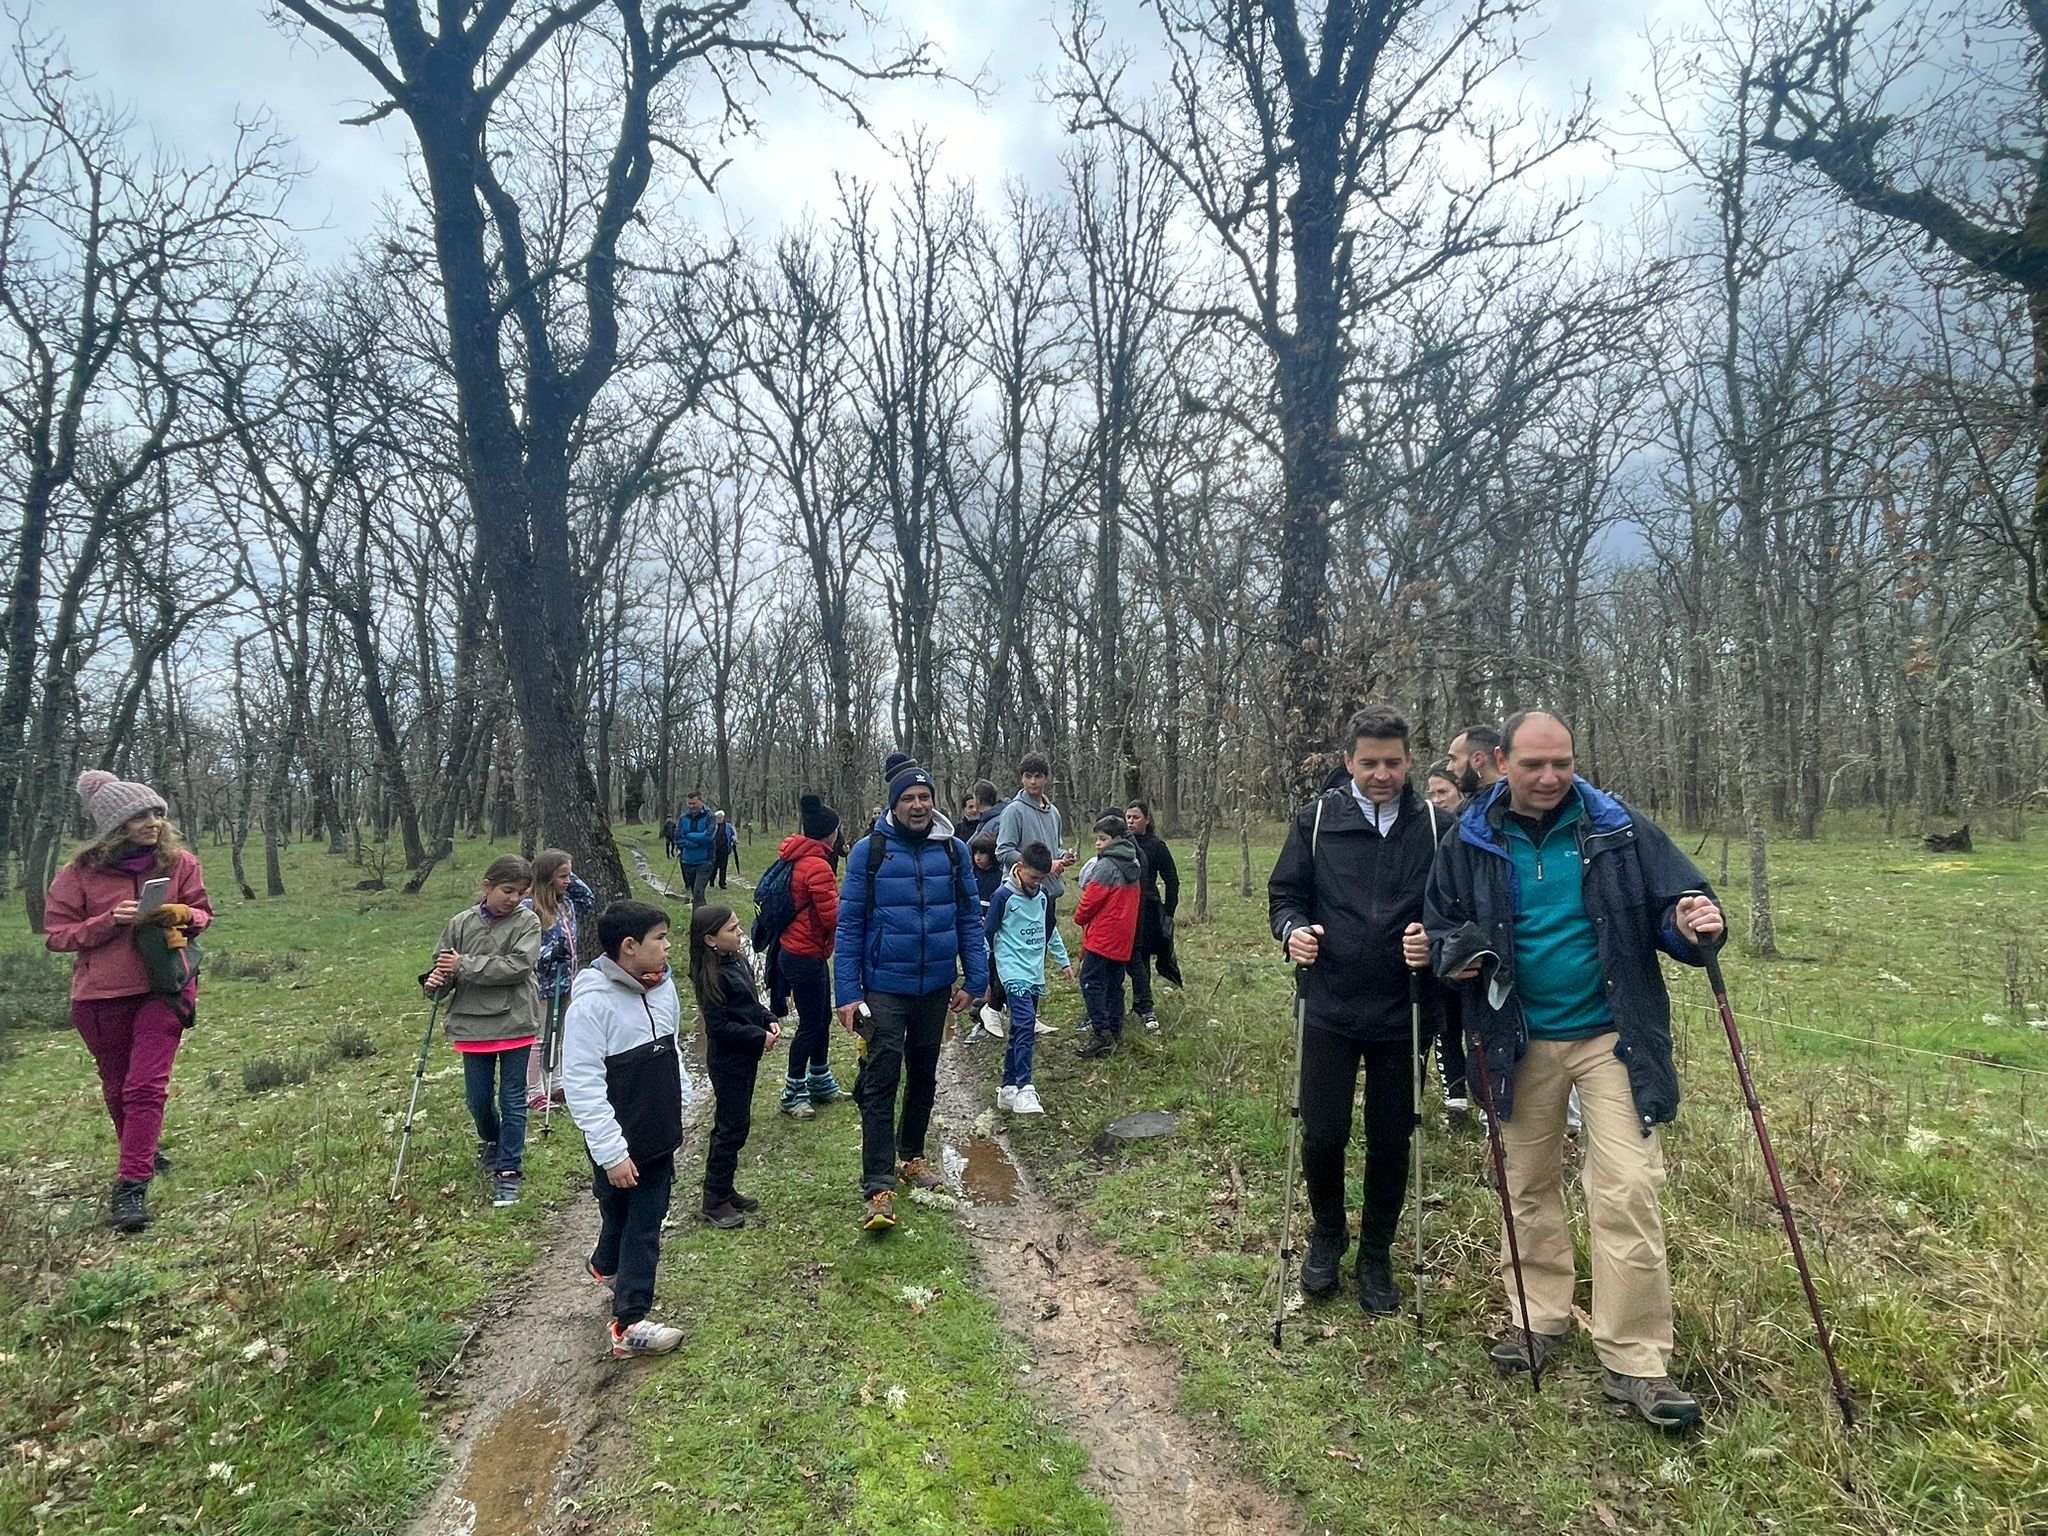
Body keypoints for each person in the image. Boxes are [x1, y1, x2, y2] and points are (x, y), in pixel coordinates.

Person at [1425, 710, 1725, 1430]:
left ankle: (1637, 1361)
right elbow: (1439, 923)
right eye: (1533, 764)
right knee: (1525, 1187)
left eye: (1561, 762)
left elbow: (1675, 905)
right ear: (1502, 760)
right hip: (1516, 1037)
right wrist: (1458, 953)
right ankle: (1539, 1320)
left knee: (1626, 1189)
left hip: (1611, 1039)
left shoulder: (1618, 827)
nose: (1550, 777)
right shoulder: (1470, 836)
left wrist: (1690, 925)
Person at [1268, 706, 1453, 1315]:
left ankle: (1376, 1252)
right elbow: (1286, 896)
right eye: (1369, 762)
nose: (1381, 774)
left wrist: (1436, 940)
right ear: (1348, 762)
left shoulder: (1434, 826)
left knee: (1391, 1138)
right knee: (1323, 1132)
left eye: (1393, 762)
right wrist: (1293, 931)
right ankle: (1327, 1233)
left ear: (1408, 762)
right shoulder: (1317, 819)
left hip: (1404, 1009)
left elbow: (1456, 909)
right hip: (1329, 1004)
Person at [44, 770, 213, 1234]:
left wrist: (183, 914)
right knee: (118, 1086)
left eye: (157, 812)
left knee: (145, 1086)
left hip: (165, 986)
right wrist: (105, 923)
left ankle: (131, 1186)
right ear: (116, 824)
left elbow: (203, 913)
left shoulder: (179, 863)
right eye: (140, 815)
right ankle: (143, 1150)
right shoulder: (77, 874)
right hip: (100, 996)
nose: (152, 822)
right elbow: (56, 936)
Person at [833, 764, 988, 1233]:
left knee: (924, 1075)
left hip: (937, 986)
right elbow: (850, 924)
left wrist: (976, 977)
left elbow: (968, 919)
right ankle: (878, 1186)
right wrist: (847, 992)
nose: (918, 806)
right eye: (909, 799)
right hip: (883, 987)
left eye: (925, 797)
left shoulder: (956, 852)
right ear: (894, 804)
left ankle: (912, 1157)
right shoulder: (870, 852)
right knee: (880, 1080)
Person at [562, 899, 693, 1358]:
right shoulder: (592, 1005)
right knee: (623, 1214)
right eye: (660, 938)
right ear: (630, 947)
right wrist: (612, 1152)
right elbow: (580, 1083)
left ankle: (609, 1274)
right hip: (617, 1138)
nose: (668, 945)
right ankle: (629, 1327)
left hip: (658, 1134)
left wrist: (683, 1098)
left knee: (640, 1220)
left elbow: (671, 1049)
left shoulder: (662, 988)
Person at [425, 855, 544, 1208]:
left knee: (513, 1098)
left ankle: (509, 1170)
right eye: (508, 890)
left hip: (516, 1021)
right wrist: (435, 982)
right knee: (477, 1099)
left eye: (521, 893)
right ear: (487, 886)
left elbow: (519, 966)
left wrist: (465, 965)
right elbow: (441, 967)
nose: (514, 899)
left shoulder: (528, 922)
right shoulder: (460, 923)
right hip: (471, 1023)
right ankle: (492, 1140)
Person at [687, 905, 780, 1228]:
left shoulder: (736, 962)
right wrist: (757, 1037)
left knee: (738, 1125)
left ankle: (725, 1189)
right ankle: (713, 1198)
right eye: (731, 930)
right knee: (730, 1128)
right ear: (710, 939)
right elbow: (720, 1027)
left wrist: (767, 1019)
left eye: (738, 927)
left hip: (745, 1057)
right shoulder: (710, 976)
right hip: (728, 1061)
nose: (739, 933)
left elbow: (749, 1004)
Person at [983, 843, 1075, 1115]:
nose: (1036, 883)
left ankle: (1008, 1088)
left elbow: (1049, 929)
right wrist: (981, 975)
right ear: (1020, 868)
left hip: (1034, 970)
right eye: (1033, 877)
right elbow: (987, 934)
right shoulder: (1003, 896)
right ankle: (1025, 1087)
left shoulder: (1043, 895)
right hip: (1012, 970)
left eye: (1041, 879)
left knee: (1021, 1029)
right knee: (1024, 1024)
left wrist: (1063, 960)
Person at [776, 795, 850, 1120]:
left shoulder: (797, 857)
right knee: (810, 1024)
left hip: (805, 950)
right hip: (803, 953)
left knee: (822, 1018)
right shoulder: (817, 865)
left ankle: (819, 1080)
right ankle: (792, 1092)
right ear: (830, 833)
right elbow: (832, 917)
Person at [525, 848, 596, 1110]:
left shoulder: (566, 903)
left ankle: (556, 1082)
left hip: (567, 979)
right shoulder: (530, 907)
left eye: (569, 875)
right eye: (562, 876)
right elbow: (526, 948)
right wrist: (548, 954)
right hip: (542, 982)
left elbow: (588, 899)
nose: (568, 881)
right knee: (539, 1035)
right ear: (546, 877)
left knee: (559, 1032)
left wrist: (568, 873)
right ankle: (534, 1090)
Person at [1072, 813, 1144, 1059]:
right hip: (1123, 936)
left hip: (1103, 936)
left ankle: (1100, 1032)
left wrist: (1079, 917)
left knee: (1091, 982)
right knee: (1115, 984)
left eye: (1102, 839)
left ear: (1115, 840)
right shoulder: (1133, 864)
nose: (1098, 844)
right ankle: (1115, 1030)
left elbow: (1089, 902)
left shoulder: (1105, 866)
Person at [995, 752, 1078, 917]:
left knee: (1046, 941)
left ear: (1046, 778)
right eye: (1028, 776)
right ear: (1022, 779)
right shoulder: (1013, 811)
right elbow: (1003, 852)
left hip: (1048, 892)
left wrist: (1063, 857)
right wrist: (1043, 865)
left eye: (1038, 776)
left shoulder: (1054, 812)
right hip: (1021, 892)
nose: (1033, 781)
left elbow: (1054, 848)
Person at [1122, 800, 1181, 1031]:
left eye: (1136, 817)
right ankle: (1136, 1003)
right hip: (1125, 907)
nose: (1131, 821)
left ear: (1147, 819)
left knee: (1141, 956)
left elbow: (1172, 880)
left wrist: (1168, 911)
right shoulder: (1122, 844)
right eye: (1128, 817)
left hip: (1147, 907)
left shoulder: (1156, 846)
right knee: (1129, 958)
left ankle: (1143, 1005)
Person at [674, 792, 716, 904]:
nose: (691, 806)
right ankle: (701, 916)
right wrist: (694, 843)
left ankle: (700, 919)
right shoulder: (683, 818)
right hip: (687, 861)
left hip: (705, 861)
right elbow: (678, 838)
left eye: (694, 803)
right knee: (694, 893)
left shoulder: (710, 817)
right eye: (689, 803)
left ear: (701, 802)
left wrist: (689, 835)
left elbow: (708, 837)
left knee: (698, 892)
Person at [1446, 724, 1502, 801]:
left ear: (1477, 760)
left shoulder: (1513, 804)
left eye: (1454, 759)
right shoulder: (1468, 805)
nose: (1449, 768)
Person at [712, 810, 742, 888]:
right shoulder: (713, 826)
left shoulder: (728, 826)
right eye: (718, 817)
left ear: (723, 817)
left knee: (723, 867)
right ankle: (711, 880)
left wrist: (734, 839)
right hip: (715, 850)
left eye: (721, 817)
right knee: (714, 867)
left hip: (725, 850)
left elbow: (732, 835)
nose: (719, 819)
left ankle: (722, 883)